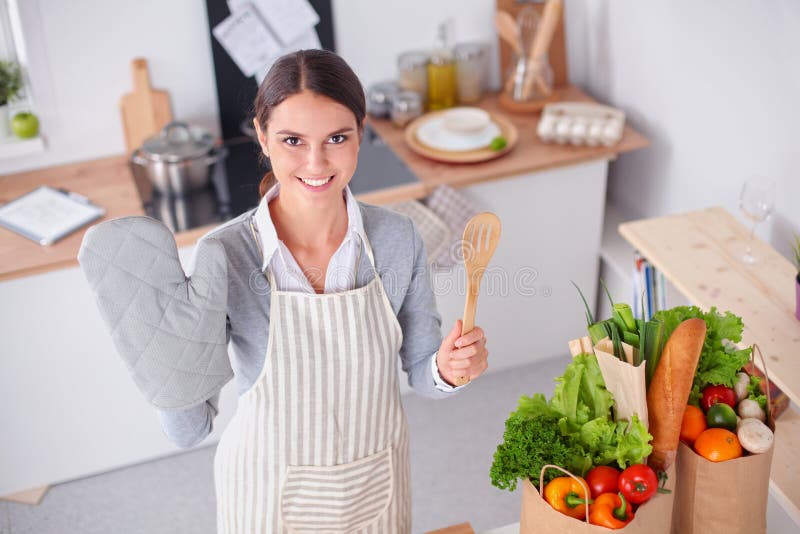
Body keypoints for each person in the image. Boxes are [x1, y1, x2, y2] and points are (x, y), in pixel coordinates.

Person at [84, 49, 489, 534]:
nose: (316, 163)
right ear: (262, 136)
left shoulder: (398, 239)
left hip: (375, 487)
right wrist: (159, 348)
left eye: (337, 138)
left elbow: (424, 374)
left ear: (362, 133)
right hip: (266, 491)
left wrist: (449, 369)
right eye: (292, 140)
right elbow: (188, 432)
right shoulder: (226, 255)